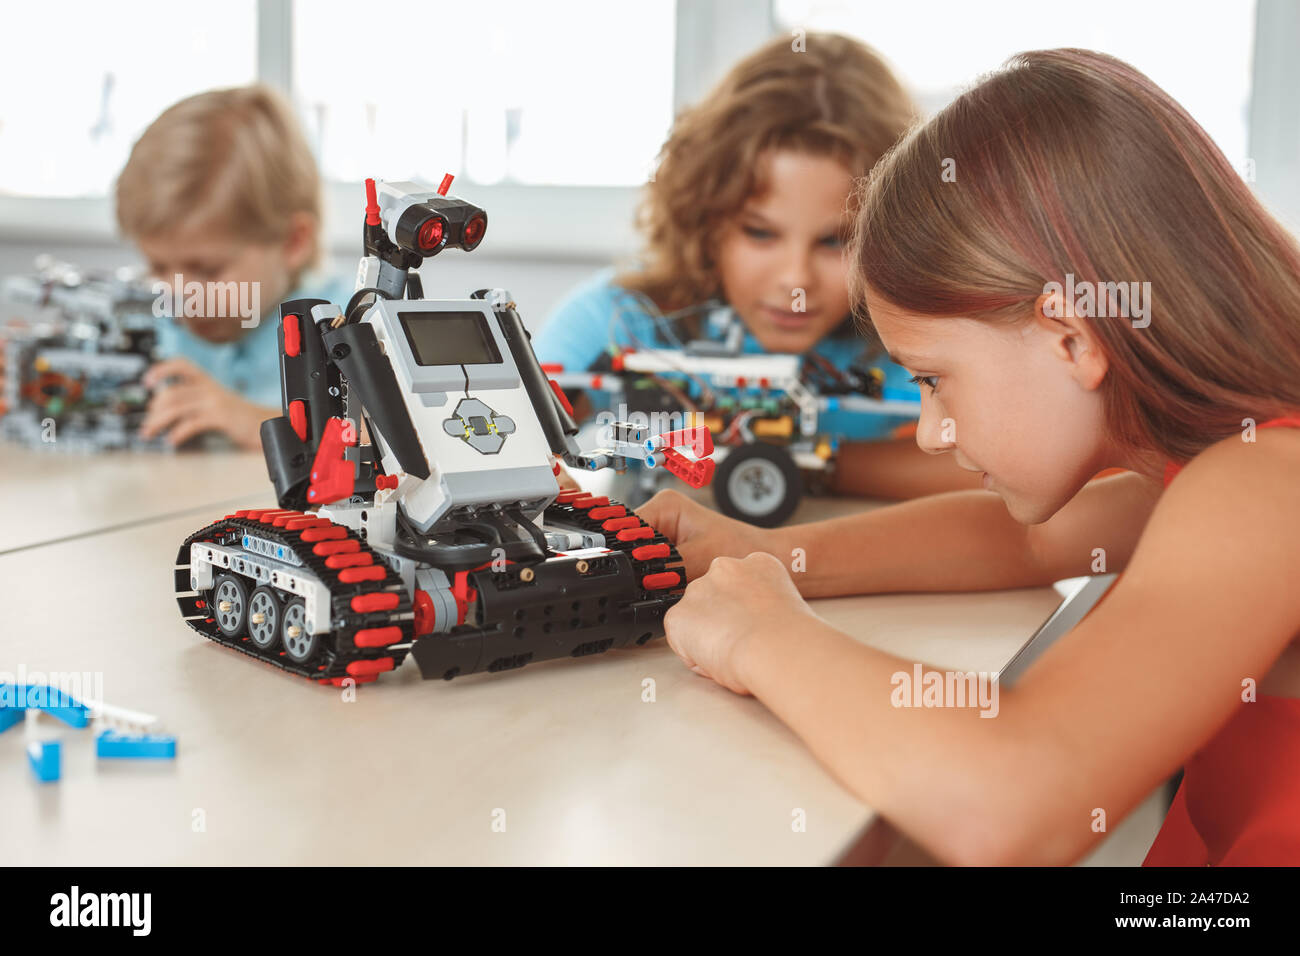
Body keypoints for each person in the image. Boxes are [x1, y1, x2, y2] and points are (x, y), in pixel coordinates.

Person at [637, 49, 1300, 865]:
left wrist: (761, 637)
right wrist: (767, 551)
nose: (929, 431)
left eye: (934, 380)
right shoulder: (1216, 454)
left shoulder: (1269, 481)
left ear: (1069, 337)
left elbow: (1010, 805)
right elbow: (1024, 540)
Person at [533, 33, 984, 499]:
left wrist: (785, 462)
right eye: (761, 233)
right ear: (705, 221)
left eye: (836, 240)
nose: (796, 280)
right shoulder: (616, 319)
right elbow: (513, 439)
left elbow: (994, 474)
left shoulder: (922, 340)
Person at [117, 84, 349, 449]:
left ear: (293, 242)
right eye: (158, 267)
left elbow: (389, 440)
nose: (179, 293)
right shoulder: (153, 326)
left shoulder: (353, 324)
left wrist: (254, 423)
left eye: (207, 271)